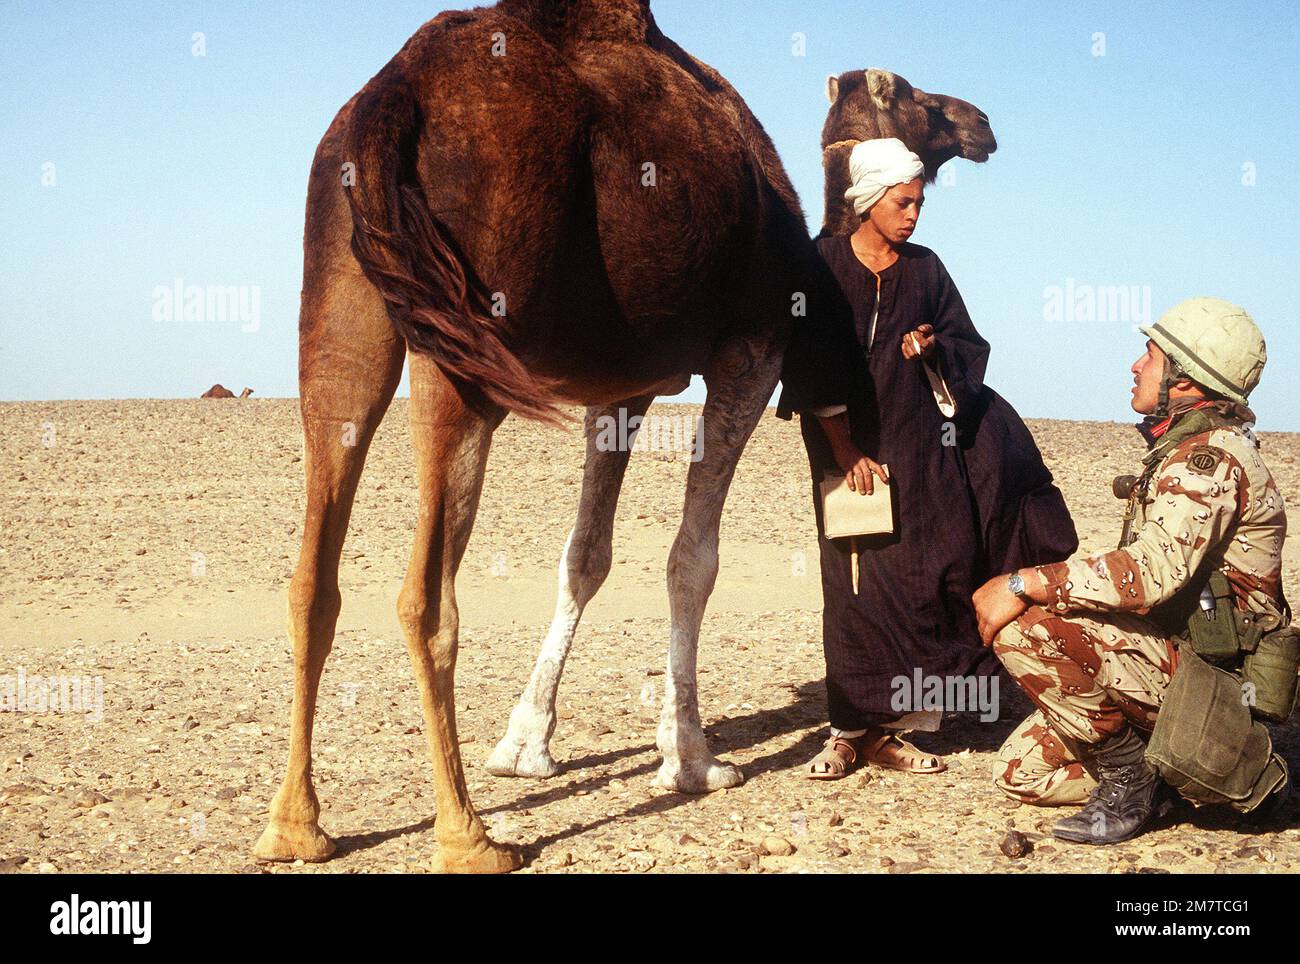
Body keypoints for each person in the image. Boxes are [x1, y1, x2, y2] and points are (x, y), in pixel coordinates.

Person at [776, 137, 1075, 779]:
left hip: (921, 446)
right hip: (847, 450)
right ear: (869, 199)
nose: (913, 215)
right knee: (855, 585)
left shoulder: (926, 268)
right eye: (903, 203)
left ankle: (893, 731)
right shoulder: (823, 262)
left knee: (928, 576)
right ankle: (846, 731)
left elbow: (968, 344)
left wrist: (933, 349)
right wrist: (847, 451)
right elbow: (806, 361)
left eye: (919, 204)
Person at [973, 297, 1291, 844]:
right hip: (1181, 664)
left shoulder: (1209, 461)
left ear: (1184, 380)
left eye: (1150, 355)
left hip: (1214, 690)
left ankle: (1135, 777)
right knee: (1021, 773)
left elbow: (1152, 571)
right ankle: (1167, 776)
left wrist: (1025, 583)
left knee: (1025, 624)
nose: (1136, 366)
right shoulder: (1189, 448)